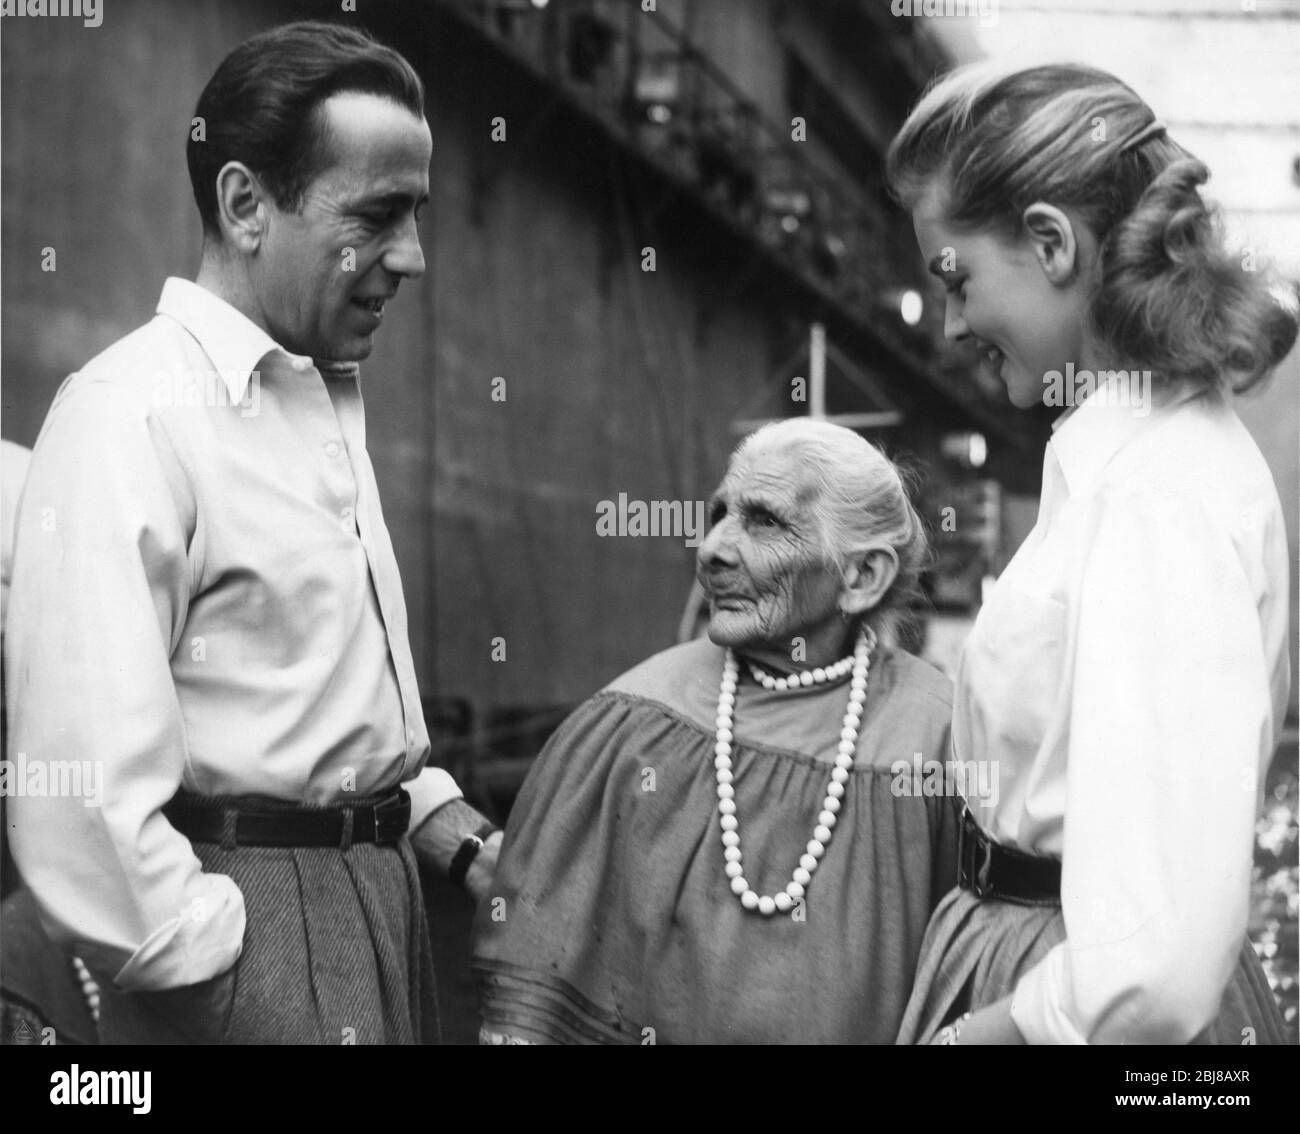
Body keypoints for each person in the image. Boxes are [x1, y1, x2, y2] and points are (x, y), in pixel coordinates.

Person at [5, 21, 502, 1046]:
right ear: (244, 205)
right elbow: (79, 791)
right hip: (250, 939)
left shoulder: (318, 399)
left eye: (415, 213)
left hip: (380, 902)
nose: (411, 258)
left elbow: (317, 698)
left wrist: (441, 820)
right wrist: (227, 979)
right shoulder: (128, 413)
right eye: (377, 215)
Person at [885, 61, 1295, 1044]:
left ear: (1048, 242)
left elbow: (1151, 966)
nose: (947, 325)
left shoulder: (1153, 492)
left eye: (955, 279)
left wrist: (983, 1035)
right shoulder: (1126, 461)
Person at [472, 418, 961, 1044]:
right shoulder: (630, 726)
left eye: (765, 521)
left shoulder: (940, 736)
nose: (712, 549)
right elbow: (535, 990)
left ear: (862, 575)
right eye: (719, 514)